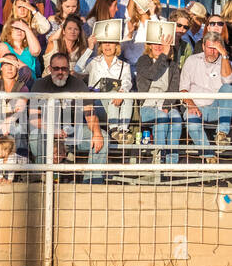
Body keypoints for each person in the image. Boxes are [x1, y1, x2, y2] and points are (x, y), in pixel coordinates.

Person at [29, 52, 107, 177]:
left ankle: (93, 182)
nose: (60, 72)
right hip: (47, 132)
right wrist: (53, 130)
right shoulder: (40, 84)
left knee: (103, 137)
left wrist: (97, 133)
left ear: (69, 69)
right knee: (34, 136)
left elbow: (90, 113)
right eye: (56, 68)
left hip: (73, 133)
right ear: (50, 69)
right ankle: (41, 178)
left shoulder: (78, 84)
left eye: (64, 68)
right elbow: (33, 119)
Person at [134, 23, 182, 165]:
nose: (158, 46)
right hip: (147, 106)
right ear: (149, 45)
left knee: (176, 119)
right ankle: (159, 160)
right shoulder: (143, 61)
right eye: (155, 43)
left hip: (166, 104)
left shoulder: (173, 66)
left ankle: (172, 163)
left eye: (162, 44)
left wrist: (167, 106)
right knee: (161, 117)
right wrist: (163, 55)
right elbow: (152, 74)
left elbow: (174, 88)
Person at [179, 30, 232, 153]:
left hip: (216, 108)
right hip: (195, 106)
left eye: (215, 48)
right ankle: (209, 156)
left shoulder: (226, 62)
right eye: (209, 48)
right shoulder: (191, 61)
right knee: (191, 121)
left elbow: (228, 80)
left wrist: (224, 54)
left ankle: (221, 134)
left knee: (228, 88)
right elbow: (183, 89)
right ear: (203, 46)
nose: (212, 52)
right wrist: (191, 105)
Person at [84, 21, 132, 136]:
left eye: (111, 42)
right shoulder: (93, 62)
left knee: (127, 97)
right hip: (98, 104)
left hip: (115, 103)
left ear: (116, 46)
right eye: (104, 42)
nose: (107, 46)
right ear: (100, 45)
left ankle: (123, 130)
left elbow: (127, 82)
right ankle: (113, 129)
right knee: (112, 96)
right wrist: (89, 49)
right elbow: (77, 70)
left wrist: (121, 92)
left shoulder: (124, 65)